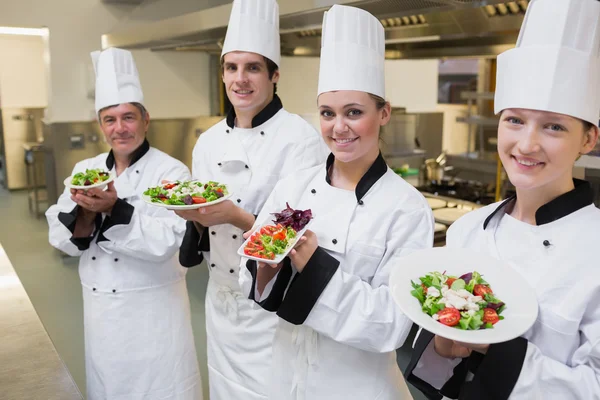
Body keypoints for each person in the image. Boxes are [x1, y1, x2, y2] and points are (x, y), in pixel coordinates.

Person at [404, 0, 600, 398]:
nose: (526, 144)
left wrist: (499, 348)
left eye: (554, 126)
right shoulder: (466, 231)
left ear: (589, 139)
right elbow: (444, 377)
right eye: (514, 120)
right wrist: (444, 347)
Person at [239, 5, 434, 399]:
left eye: (354, 112)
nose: (338, 127)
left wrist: (314, 264)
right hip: (284, 375)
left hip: (357, 386)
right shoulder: (293, 186)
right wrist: (265, 267)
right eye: (327, 113)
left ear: (384, 114)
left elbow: (392, 325)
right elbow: (251, 283)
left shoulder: (407, 209)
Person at [175, 0, 328, 398]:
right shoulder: (207, 142)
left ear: (275, 75)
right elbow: (200, 215)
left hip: (270, 304)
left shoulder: (300, 139)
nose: (240, 79)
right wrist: (191, 215)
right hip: (219, 299)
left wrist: (236, 216)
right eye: (231, 67)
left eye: (253, 68)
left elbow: (299, 231)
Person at [45, 47, 202, 400]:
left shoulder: (172, 171)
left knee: (162, 389)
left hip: (154, 312)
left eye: (128, 117)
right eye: (110, 120)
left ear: (146, 120)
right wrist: (84, 213)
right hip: (102, 313)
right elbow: (58, 234)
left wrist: (115, 209)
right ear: (100, 126)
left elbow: (171, 239)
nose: (120, 128)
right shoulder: (87, 170)